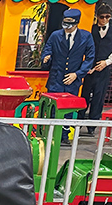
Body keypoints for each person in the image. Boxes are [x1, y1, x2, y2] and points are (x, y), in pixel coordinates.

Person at [41, 8, 96, 144]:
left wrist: (77, 74)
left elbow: (90, 58)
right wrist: (45, 57)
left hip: (72, 81)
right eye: (65, 23)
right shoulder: (55, 35)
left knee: (68, 110)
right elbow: (47, 48)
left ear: (76, 23)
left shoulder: (86, 37)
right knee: (53, 108)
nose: (66, 27)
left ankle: (64, 137)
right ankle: (52, 135)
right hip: (56, 79)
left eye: (70, 24)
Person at [81, 3, 112, 134]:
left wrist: (107, 62)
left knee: (98, 98)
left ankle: (92, 127)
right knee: (83, 96)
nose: (105, 20)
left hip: (104, 69)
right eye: (102, 17)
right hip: (88, 68)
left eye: (108, 17)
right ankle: (77, 124)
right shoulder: (90, 29)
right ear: (97, 16)